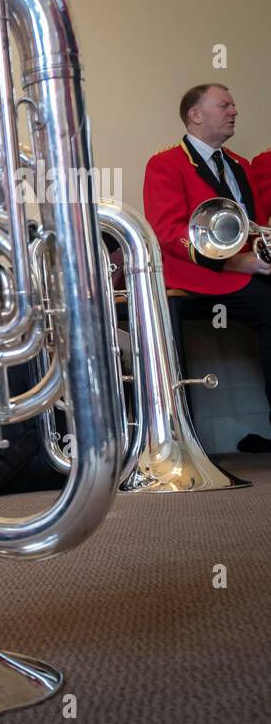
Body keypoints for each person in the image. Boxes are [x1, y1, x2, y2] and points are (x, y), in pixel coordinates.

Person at [142, 83, 271, 451]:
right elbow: (169, 234)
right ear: (195, 115)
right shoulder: (164, 163)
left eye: (233, 105)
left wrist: (257, 256)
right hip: (198, 277)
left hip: (244, 271)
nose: (234, 111)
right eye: (224, 105)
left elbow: (252, 224)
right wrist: (237, 262)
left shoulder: (239, 164)